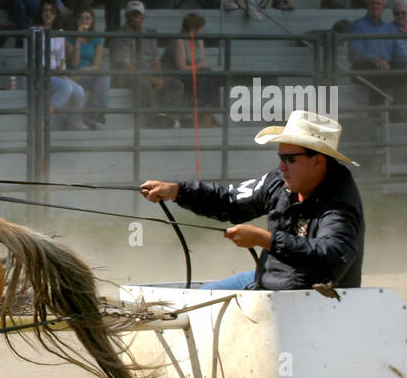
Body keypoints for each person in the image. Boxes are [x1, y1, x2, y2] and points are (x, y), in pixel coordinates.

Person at [140, 111, 365, 291]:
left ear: (317, 161)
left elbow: (333, 256)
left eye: (289, 159)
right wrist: (178, 191)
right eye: (280, 158)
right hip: (268, 279)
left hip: (308, 297)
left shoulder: (339, 206)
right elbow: (230, 201)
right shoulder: (279, 182)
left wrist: (266, 240)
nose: (281, 167)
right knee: (196, 303)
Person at [111, 0, 182, 128]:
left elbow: (156, 60)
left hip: (149, 75)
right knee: (142, 83)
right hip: (127, 76)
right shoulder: (119, 35)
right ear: (126, 16)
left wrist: (158, 78)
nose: (136, 17)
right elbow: (125, 65)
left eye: (138, 14)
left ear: (144, 16)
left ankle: (169, 119)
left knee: (176, 84)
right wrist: (150, 79)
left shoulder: (149, 34)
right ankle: (154, 118)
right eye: (133, 14)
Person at [348, 0, 407, 128]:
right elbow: (355, 48)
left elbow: (398, 52)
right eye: (371, 4)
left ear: (384, 7)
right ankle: (374, 116)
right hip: (362, 67)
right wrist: (375, 59)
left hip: (385, 67)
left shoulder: (389, 29)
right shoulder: (357, 25)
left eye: (378, 4)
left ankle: (397, 111)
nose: (375, 6)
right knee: (378, 73)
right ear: (367, 6)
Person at [30, 0, 87, 129]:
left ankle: (73, 122)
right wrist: (50, 69)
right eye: (45, 10)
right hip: (38, 73)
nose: (48, 13)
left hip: (55, 72)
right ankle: (45, 121)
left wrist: (61, 70)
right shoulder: (33, 31)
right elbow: (29, 58)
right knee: (66, 87)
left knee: (79, 91)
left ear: (56, 14)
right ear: (40, 13)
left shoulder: (59, 32)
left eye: (51, 10)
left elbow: (61, 56)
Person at [165, 11, 218, 127]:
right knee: (204, 78)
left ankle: (207, 112)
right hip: (175, 73)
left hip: (194, 72)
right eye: (200, 29)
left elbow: (202, 62)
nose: (202, 31)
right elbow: (181, 67)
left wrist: (201, 66)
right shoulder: (179, 41)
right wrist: (201, 66)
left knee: (212, 76)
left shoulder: (199, 40)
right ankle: (203, 115)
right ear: (193, 29)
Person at [68, 7, 109, 126]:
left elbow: (96, 65)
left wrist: (85, 71)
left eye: (88, 18)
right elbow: (74, 64)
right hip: (73, 74)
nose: (84, 21)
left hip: (87, 72)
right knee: (102, 78)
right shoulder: (68, 38)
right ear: (77, 21)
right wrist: (77, 40)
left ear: (92, 22)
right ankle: (93, 114)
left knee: (104, 73)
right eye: (81, 18)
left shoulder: (97, 38)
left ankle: (95, 113)